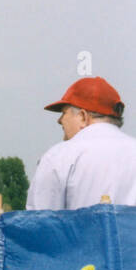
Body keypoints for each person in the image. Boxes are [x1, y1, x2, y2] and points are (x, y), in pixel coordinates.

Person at [26, 76, 136, 210]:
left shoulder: (58, 156)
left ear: (83, 117)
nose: (59, 120)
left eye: (64, 113)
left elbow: (40, 222)